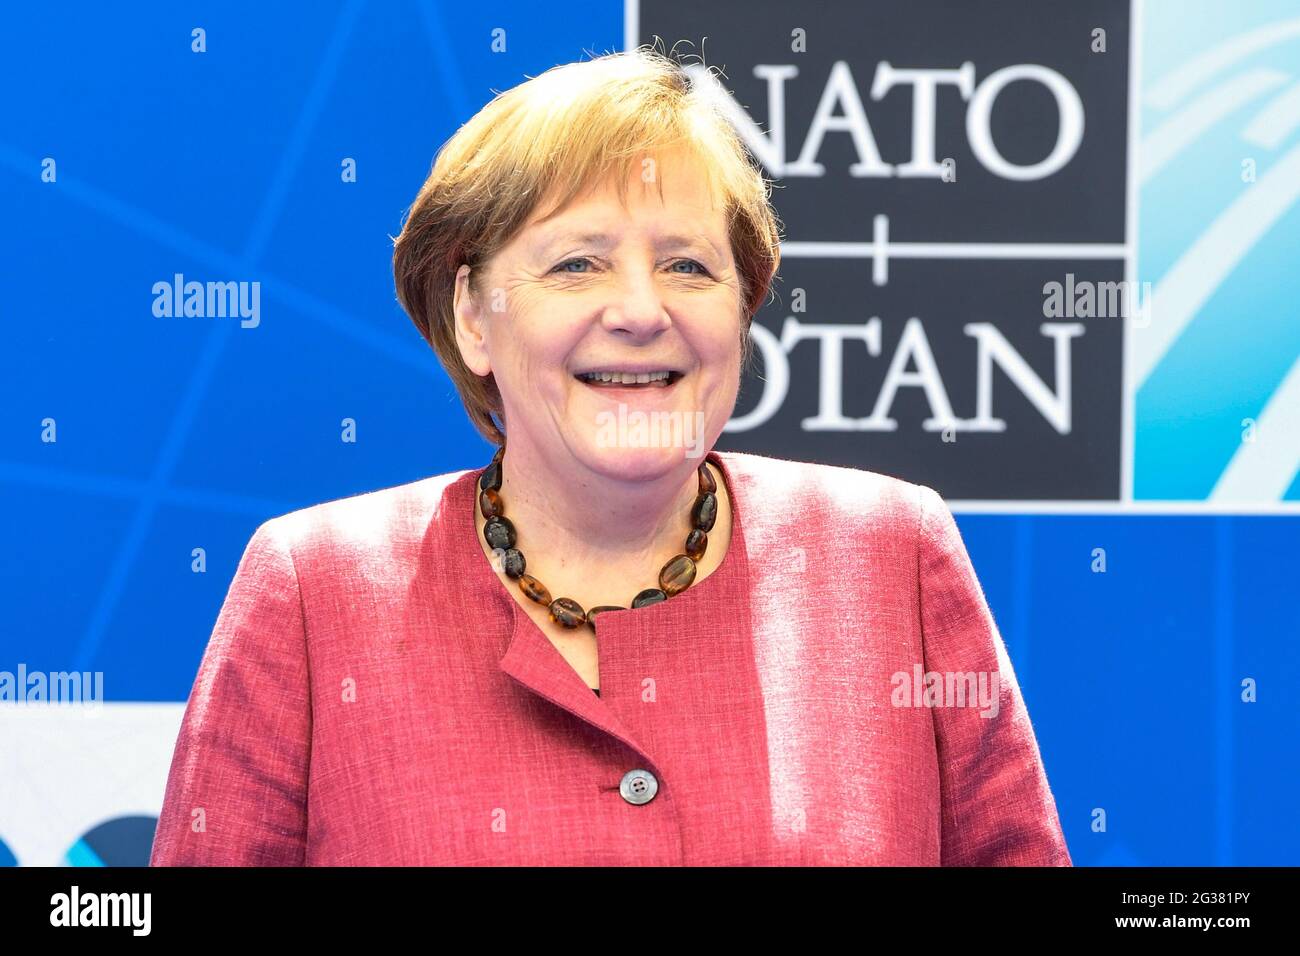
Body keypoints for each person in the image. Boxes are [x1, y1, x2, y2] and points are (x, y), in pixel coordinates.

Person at [149, 46, 1070, 866]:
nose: (640, 310)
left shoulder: (890, 555)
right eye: (577, 264)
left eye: (688, 266)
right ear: (473, 316)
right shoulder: (312, 591)